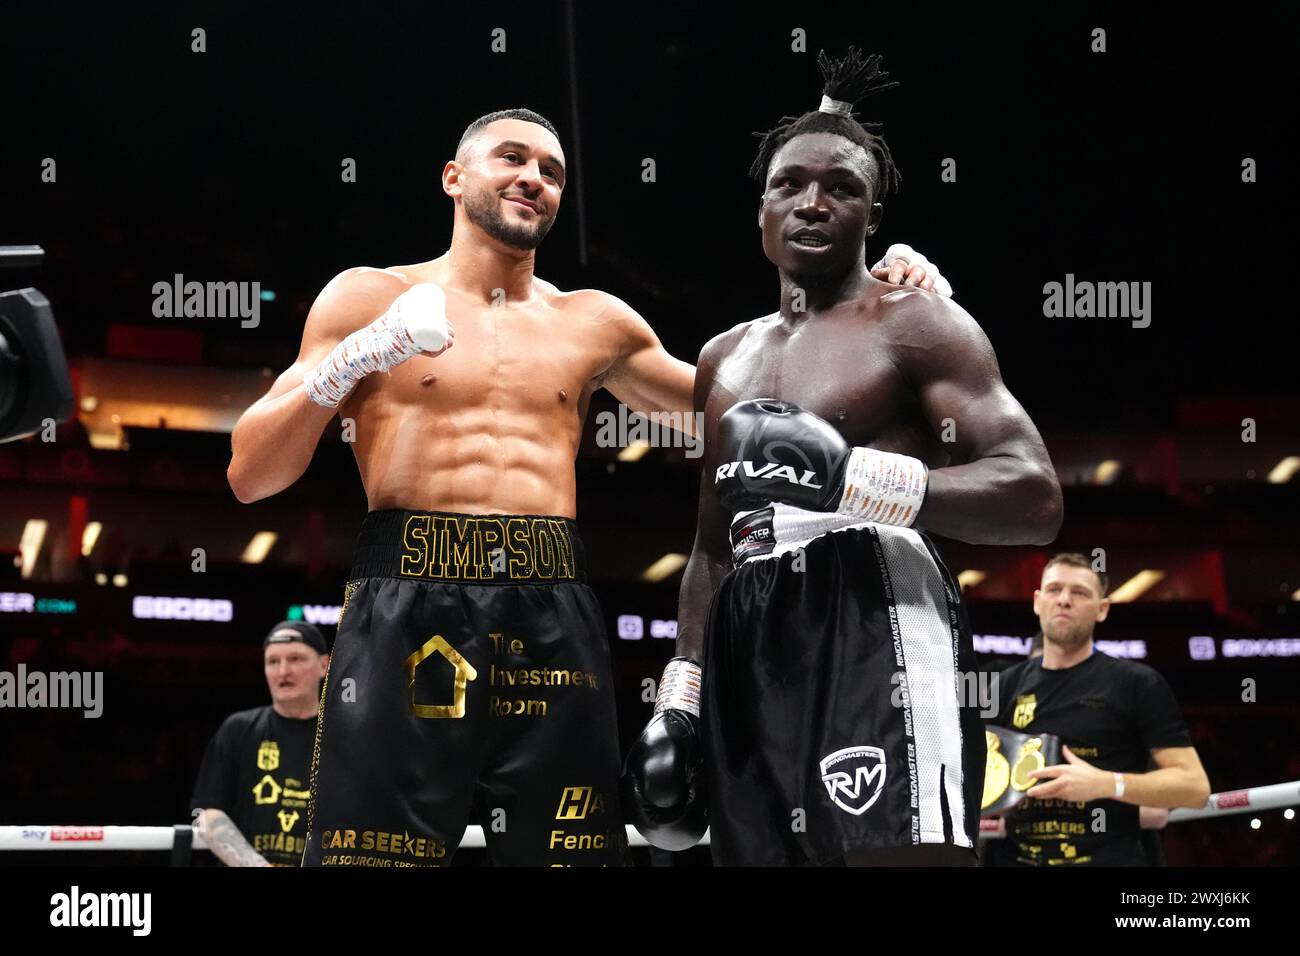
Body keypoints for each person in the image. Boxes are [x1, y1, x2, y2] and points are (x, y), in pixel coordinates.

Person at [227, 105, 950, 867]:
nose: (532, 179)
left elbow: (755, 409)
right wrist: (356, 358)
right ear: (454, 177)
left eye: (551, 172)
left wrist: (870, 300)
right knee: (365, 858)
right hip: (404, 592)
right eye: (512, 158)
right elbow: (251, 474)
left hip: (553, 601)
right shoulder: (367, 298)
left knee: (572, 857)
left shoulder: (594, 323)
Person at [622, 49, 1062, 867]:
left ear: (872, 214)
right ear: (760, 209)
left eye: (841, 187)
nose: (812, 202)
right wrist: (680, 698)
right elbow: (712, 548)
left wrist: (852, 478)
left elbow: (1033, 495)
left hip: (874, 607)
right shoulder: (723, 358)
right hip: (748, 629)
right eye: (789, 184)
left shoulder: (917, 323)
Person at [984, 553, 1210, 866]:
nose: (1064, 600)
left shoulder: (1137, 683)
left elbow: (1194, 787)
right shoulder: (1002, 686)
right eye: (1054, 589)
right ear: (1037, 601)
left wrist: (1107, 784)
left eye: (1079, 592)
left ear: (1102, 609)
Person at [190, 621, 329, 866]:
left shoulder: (344, 734)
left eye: (295, 659)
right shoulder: (238, 729)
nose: (283, 671)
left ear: (323, 665)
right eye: (273, 662)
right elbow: (207, 814)